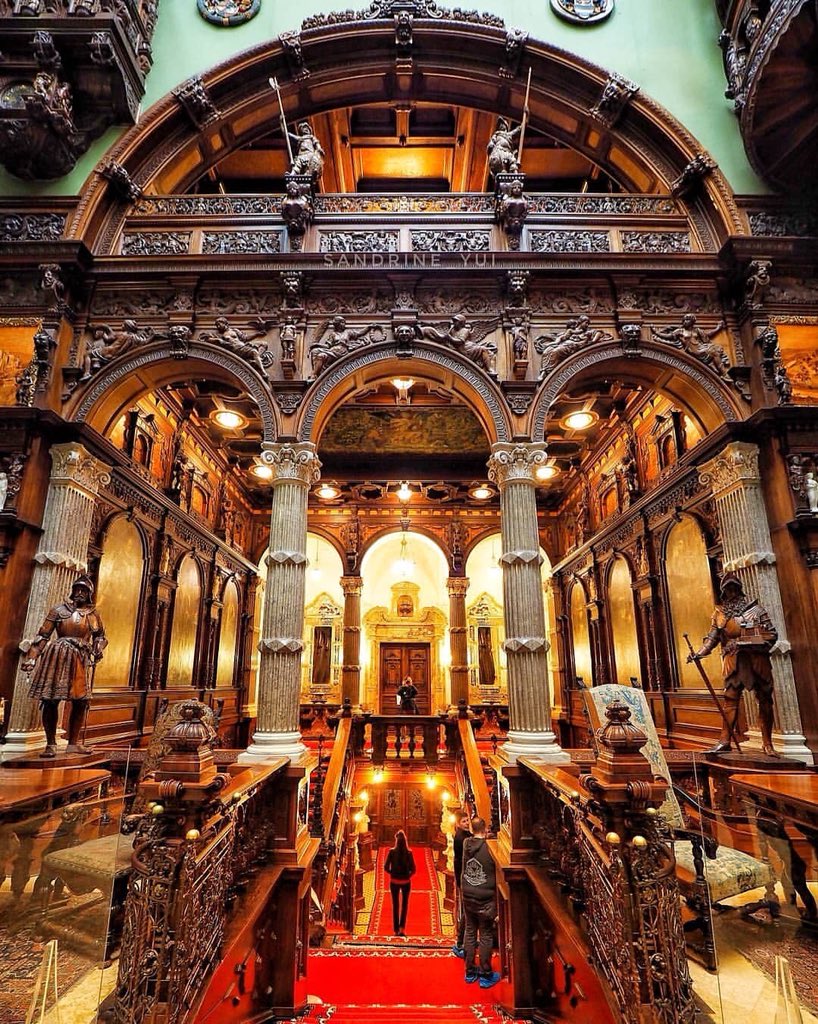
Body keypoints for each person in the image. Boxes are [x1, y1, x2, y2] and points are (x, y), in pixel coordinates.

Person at [687, 574, 778, 755]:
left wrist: (750, 641)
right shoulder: (720, 614)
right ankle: (724, 740)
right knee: (730, 700)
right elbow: (711, 638)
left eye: (734, 588)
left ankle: (768, 743)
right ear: (724, 592)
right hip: (733, 662)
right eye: (728, 589)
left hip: (756, 661)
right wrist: (699, 653)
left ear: (739, 589)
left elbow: (772, 635)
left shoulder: (757, 610)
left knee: (765, 700)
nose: (731, 592)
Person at [22, 575, 107, 758]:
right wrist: (31, 658)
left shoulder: (93, 614)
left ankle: (73, 743)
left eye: (84, 590)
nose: (79, 593)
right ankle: (50, 743)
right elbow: (42, 635)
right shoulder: (58, 610)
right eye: (77, 589)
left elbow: (100, 636)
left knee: (81, 700)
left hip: (79, 658)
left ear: (89, 593)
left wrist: (98, 648)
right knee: (51, 699)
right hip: (58, 655)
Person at [461, 816, 500, 989]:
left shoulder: (466, 844)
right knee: (485, 934)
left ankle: (469, 971)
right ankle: (485, 973)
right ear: (484, 830)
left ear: (471, 829)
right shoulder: (489, 847)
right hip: (485, 897)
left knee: (470, 932)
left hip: (468, 894)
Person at [383, 829, 416, 936]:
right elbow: (413, 869)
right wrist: (407, 875)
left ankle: (396, 929)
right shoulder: (409, 853)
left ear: (396, 840)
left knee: (395, 905)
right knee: (404, 905)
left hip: (394, 881)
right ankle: (402, 928)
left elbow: (385, 867)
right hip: (406, 881)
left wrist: (392, 873)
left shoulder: (392, 852)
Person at [451, 812, 472, 959]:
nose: (466, 823)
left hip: (463, 876)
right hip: (463, 877)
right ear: (458, 823)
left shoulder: (463, 835)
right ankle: (461, 942)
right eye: (463, 821)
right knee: (466, 911)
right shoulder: (461, 838)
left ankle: (465, 941)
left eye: (467, 820)